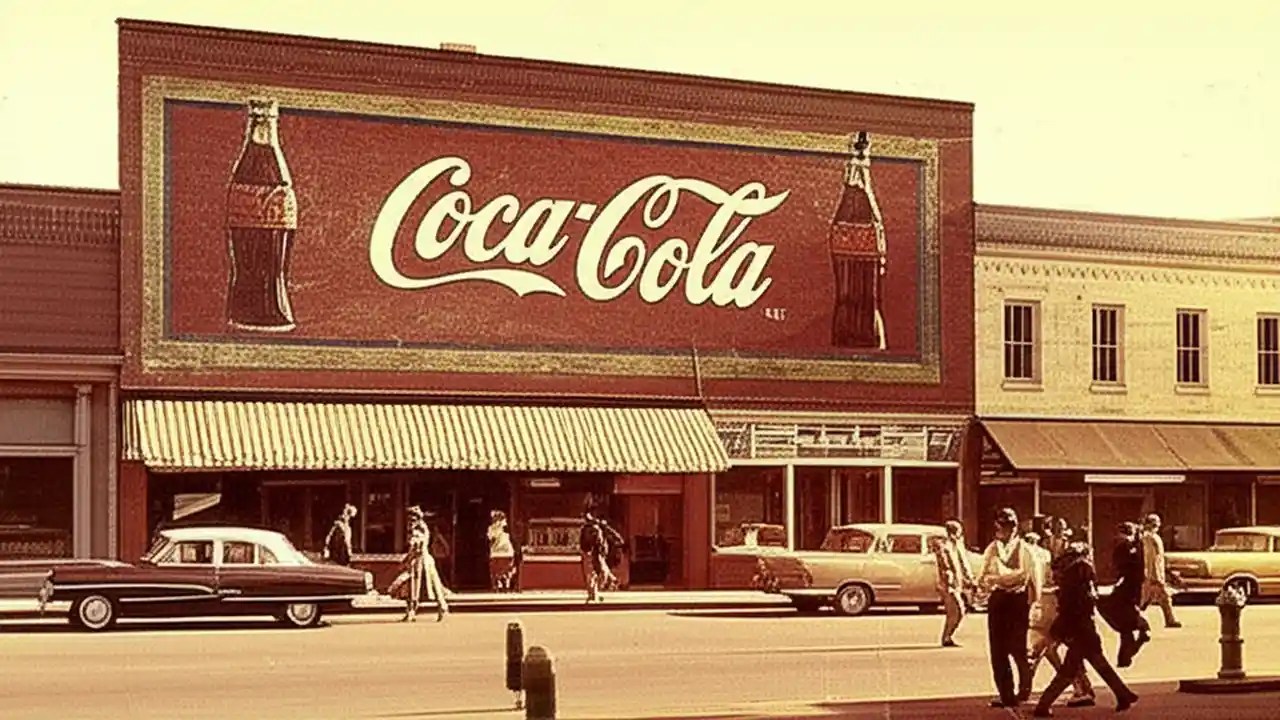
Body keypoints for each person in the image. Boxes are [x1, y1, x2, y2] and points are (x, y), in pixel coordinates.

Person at [1032, 542, 1139, 717]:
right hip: (1082, 629)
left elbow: (1071, 606)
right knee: (1081, 667)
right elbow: (1085, 602)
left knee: (1089, 665)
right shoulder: (1082, 571)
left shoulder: (1069, 575)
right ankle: (1122, 694)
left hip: (1078, 629)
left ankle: (1123, 694)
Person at [1025, 530, 1095, 708]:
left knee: (1046, 649)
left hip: (1057, 612)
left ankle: (1080, 688)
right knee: (1046, 649)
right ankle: (1082, 687)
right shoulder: (1060, 560)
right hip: (1057, 611)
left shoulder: (1066, 565)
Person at [978, 507, 1035, 708]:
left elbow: (1028, 576)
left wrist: (1002, 578)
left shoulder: (1025, 548)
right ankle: (1006, 694)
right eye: (1003, 525)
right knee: (998, 650)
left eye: (1010, 526)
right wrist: (996, 580)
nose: (1007, 530)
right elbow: (983, 575)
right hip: (999, 599)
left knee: (1018, 648)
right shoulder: (992, 548)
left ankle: (1025, 689)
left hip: (1018, 600)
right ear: (997, 526)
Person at [1099, 522, 1151, 668]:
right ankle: (1127, 655)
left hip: (1124, 591)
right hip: (1129, 591)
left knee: (1126, 629)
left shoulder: (1121, 546)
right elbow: (1132, 567)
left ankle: (1125, 658)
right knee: (1132, 625)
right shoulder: (1127, 547)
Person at [932, 520, 975, 648]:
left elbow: (963, 564)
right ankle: (947, 637)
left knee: (955, 612)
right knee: (957, 610)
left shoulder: (957, 546)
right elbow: (944, 566)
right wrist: (949, 581)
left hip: (956, 583)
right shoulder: (945, 547)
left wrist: (969, 579)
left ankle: (947, 637)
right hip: (948, 585)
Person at [1140, 513, 1181, 629]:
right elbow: (1150, 558)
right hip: (1152, 575)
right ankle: (1170, 620)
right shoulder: (1149, 538)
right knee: (1160, 598)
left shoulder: (1153, 537)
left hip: (1155, 574)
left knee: (1150, 600)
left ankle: (1170, 620)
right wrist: (1155, 576)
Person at [579, 511, 607, 603]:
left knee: (591, 575)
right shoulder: (595, 529)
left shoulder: (585, 529)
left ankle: (594, 593)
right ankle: (594, 594)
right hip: (594, 554)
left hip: (589, 553)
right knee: (597, 574)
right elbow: (599, 542)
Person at [487, 510, 516, 592]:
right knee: (499, 570)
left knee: (503, 570)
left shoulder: (505, 529)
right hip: (499, 552)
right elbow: (491, 539)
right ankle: (501, 584)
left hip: (504, 552)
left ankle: (505, 584)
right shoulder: (493, 529)